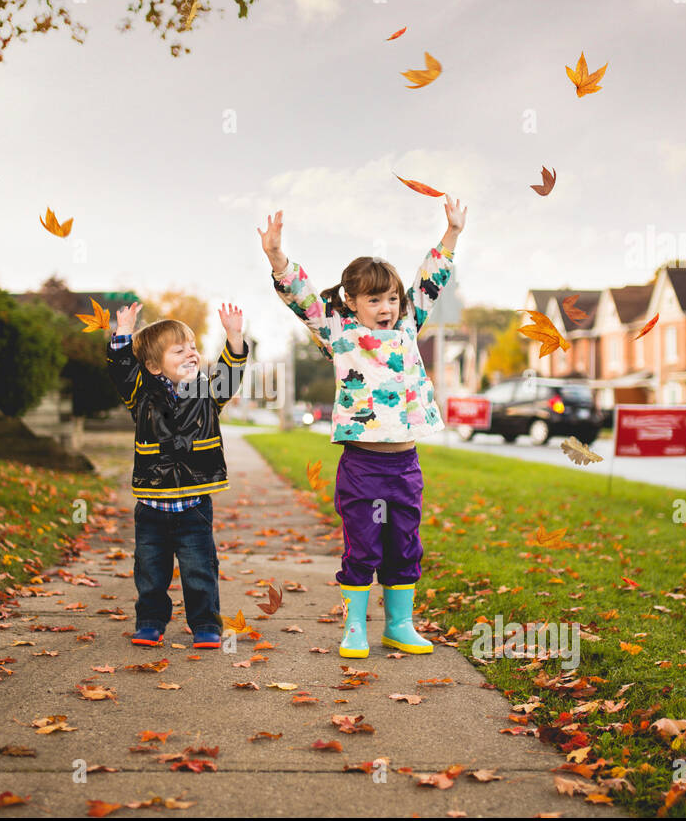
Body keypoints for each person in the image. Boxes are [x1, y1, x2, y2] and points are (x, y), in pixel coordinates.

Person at [259, 197, 466, 657]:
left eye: (392, 298)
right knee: (364, 548)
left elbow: (429, 282)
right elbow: (303, 299)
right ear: (352, 302)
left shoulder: (409, 326)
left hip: (405, 466)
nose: (387, 306)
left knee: (404, 545)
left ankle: (399, 624)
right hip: (362, 466)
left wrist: (451, 233)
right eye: (375, 299)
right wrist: (277, 256)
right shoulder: (339, 332)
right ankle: (355, 627)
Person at [107, 301, 248, 648]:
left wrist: (234, 336)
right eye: (179, 349)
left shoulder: (207, 392)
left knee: (199, 569)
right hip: (152, 505)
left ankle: (205, 625)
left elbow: (230, 375)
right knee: (150, 570)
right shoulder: (141, 396)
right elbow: (122, 370)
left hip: (195, 503)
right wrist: (123, 333)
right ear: (154, 366)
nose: (191, 354)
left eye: (193, 348)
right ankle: (150, 622)